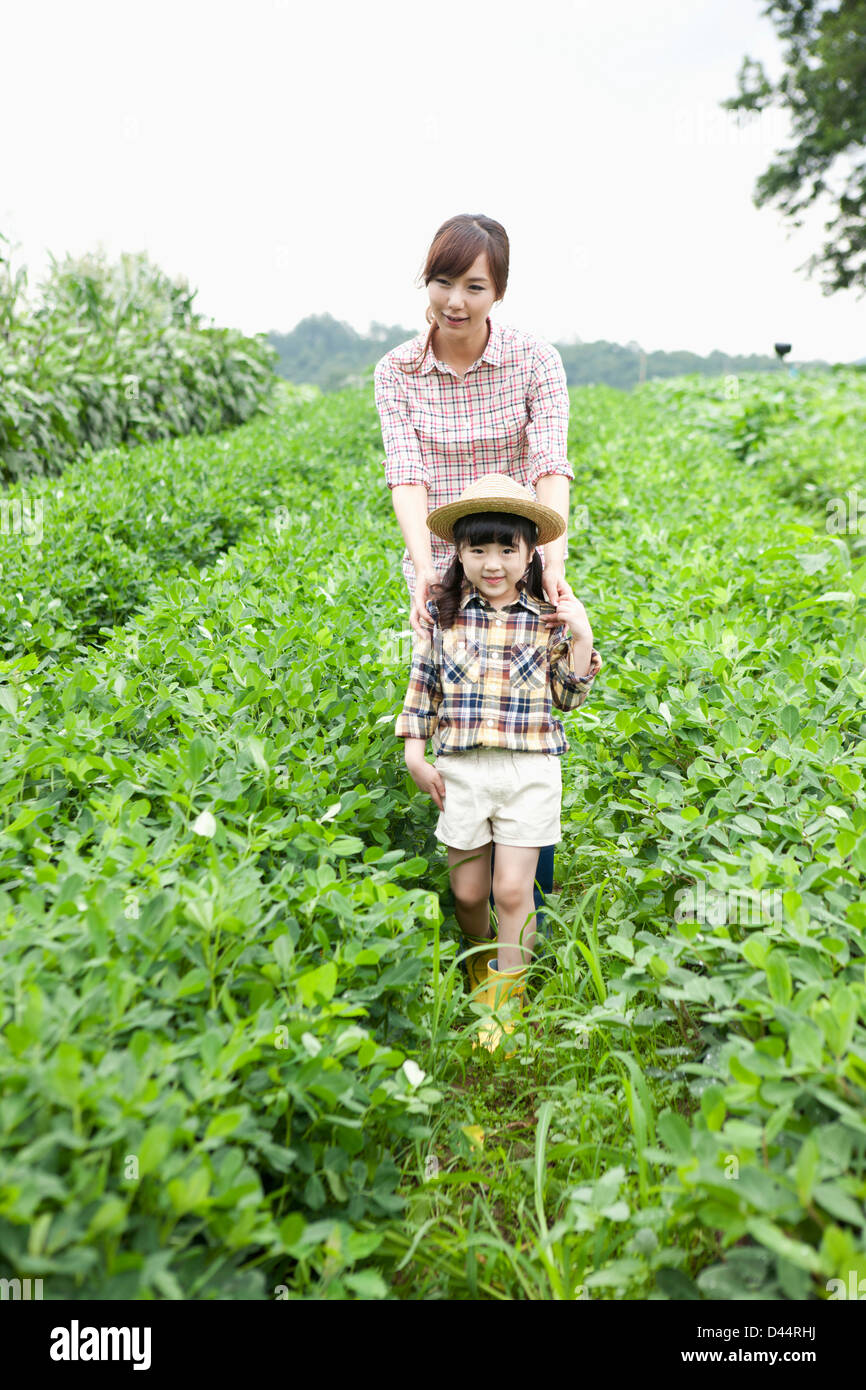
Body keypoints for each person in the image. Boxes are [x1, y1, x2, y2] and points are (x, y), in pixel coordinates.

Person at [374, 212, 580, 939]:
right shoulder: (397, 370)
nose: (455, 300)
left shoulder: (534, 360)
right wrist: (427, 572)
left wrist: (550, 564)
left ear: (498, 290)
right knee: (451, 683)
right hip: (443, 554)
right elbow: (408, 476)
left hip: (521, 543)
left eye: (474, 285)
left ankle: (525, 890)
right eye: (442, 281)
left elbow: (550, 462)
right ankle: (472, 870)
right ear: (425, 280)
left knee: (537, 684)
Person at [394, 473, 602, 1055]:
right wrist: (414, 751)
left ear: (530, 552)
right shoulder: (444, 617)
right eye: (477, 548)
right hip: (461, 770)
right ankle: (482, 962)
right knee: (467, 892)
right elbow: (423, 686)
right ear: (457, 553)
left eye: (507, 548)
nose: (493, 562)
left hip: (531, 769)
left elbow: (568, 696)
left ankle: (507, 1001)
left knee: (513, 891)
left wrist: (581, 636)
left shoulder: (547, 616)